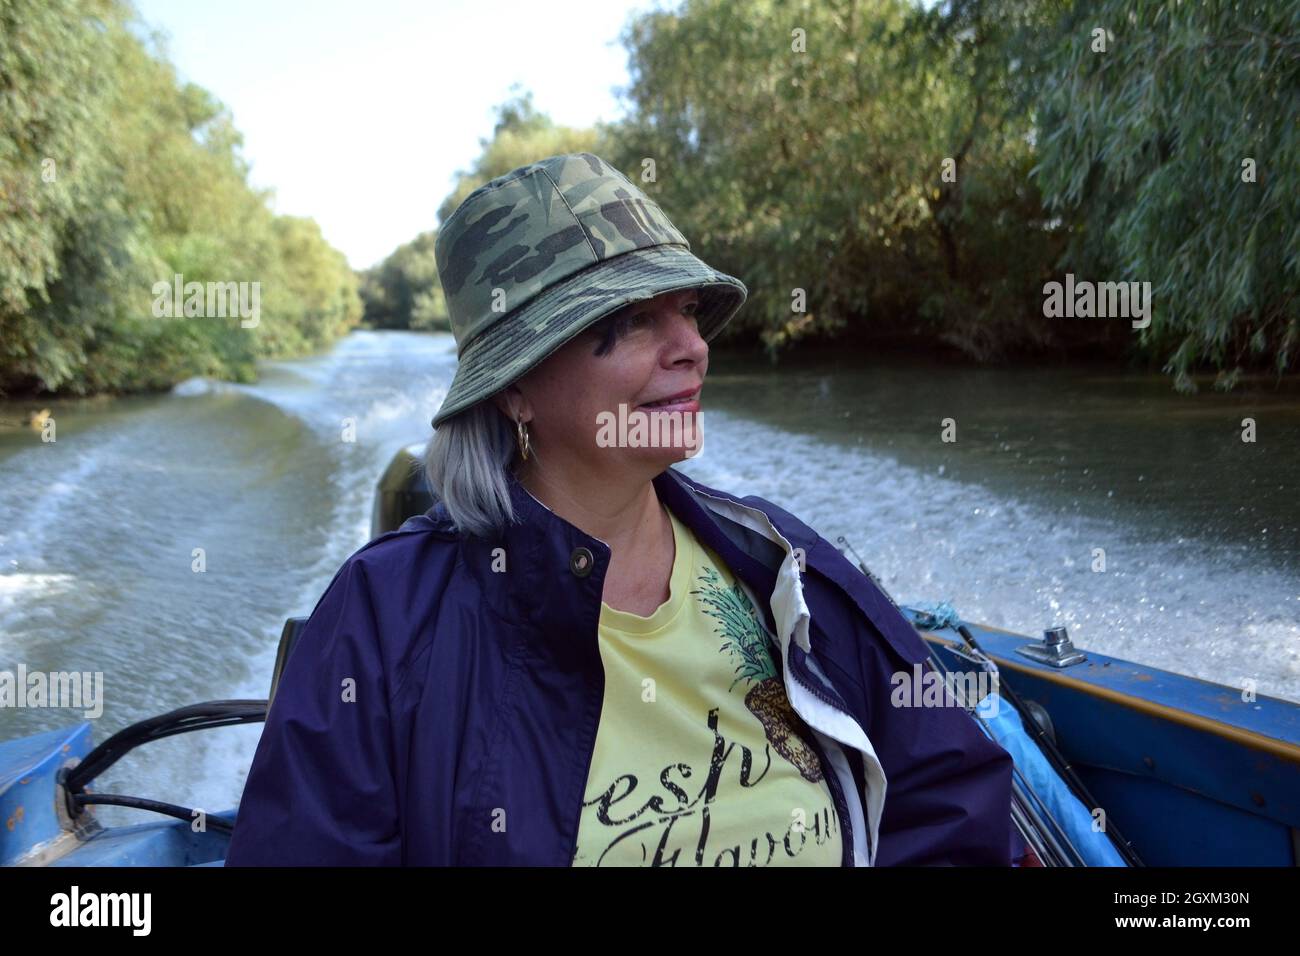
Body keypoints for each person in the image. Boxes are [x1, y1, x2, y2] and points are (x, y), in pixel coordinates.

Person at [224, 152, 1019, 866]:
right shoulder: (383, 620)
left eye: (689, 312)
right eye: (636, 319)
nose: (693, 346)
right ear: (517, 388)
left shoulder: (782, 565)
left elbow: (950, 798)